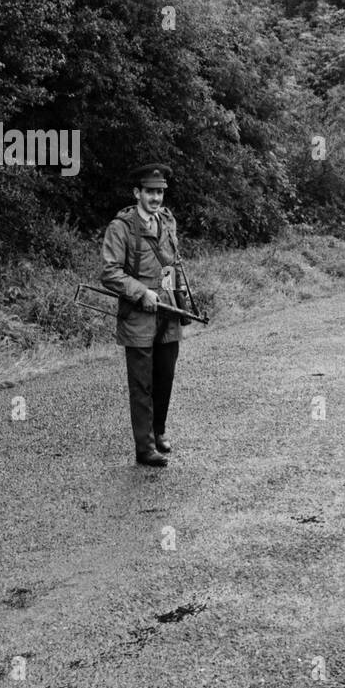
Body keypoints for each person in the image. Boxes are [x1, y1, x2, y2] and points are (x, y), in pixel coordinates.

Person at [100, 163, 190, 467]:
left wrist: (181, 300)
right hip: (138, 313)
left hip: (168, 311)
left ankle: (159, 431)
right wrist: (141, 293)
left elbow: (172, 265)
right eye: (150, 192)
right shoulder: (121, 228)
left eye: (160, 192)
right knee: (142, 384)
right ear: (137, 192)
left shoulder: (167, 221)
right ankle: (145, 447)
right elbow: (110, 273)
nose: (156, 198)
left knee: (165, 376)